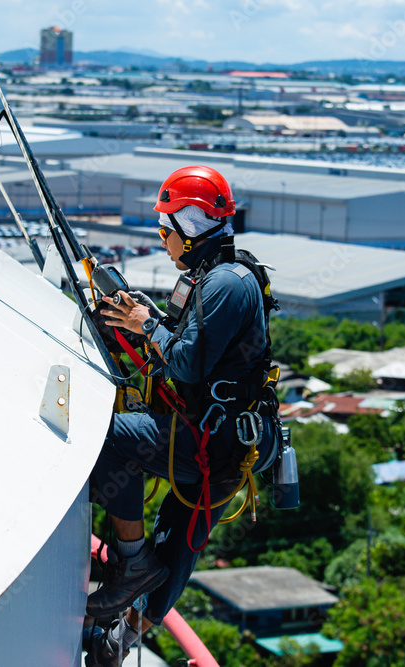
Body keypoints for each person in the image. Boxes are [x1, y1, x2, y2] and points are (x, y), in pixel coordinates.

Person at [84, 165, 281, 665]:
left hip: (212, 447)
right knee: (175, 549)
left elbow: (189, 361)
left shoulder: (227, 285)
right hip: (206, 438)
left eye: (167, 227)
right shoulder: (205, 279)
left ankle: (130, 568)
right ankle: (118, 637)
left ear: (192, 226)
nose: (163, 238)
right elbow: (180, 341)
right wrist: (133, 320)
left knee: (108, 442)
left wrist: (145, 323)